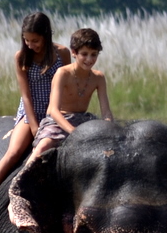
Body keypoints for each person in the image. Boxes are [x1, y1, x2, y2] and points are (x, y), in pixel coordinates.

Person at [0, 11, 69, 233]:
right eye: (26, 39)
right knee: (13, 154)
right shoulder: (21, 57)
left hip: (55, 110)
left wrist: (61, 117)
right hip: (31, 110)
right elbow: (26, 96)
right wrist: (34, 127)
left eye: (35, 40)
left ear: (46, 35)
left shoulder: (62, 53)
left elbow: (66, 87)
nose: (30, 44)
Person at [29, 27, 112, 159]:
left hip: (84, 120)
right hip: (59, 121)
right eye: (84, 54)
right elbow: (54, 111)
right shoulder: (63, 73)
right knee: (42, 148)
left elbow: (106, 113)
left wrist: (108, 129)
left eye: (94, 54)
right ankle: (21, 178)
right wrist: (74, 132)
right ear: (74, 52)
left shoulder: (99, 77)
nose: (89, 59)